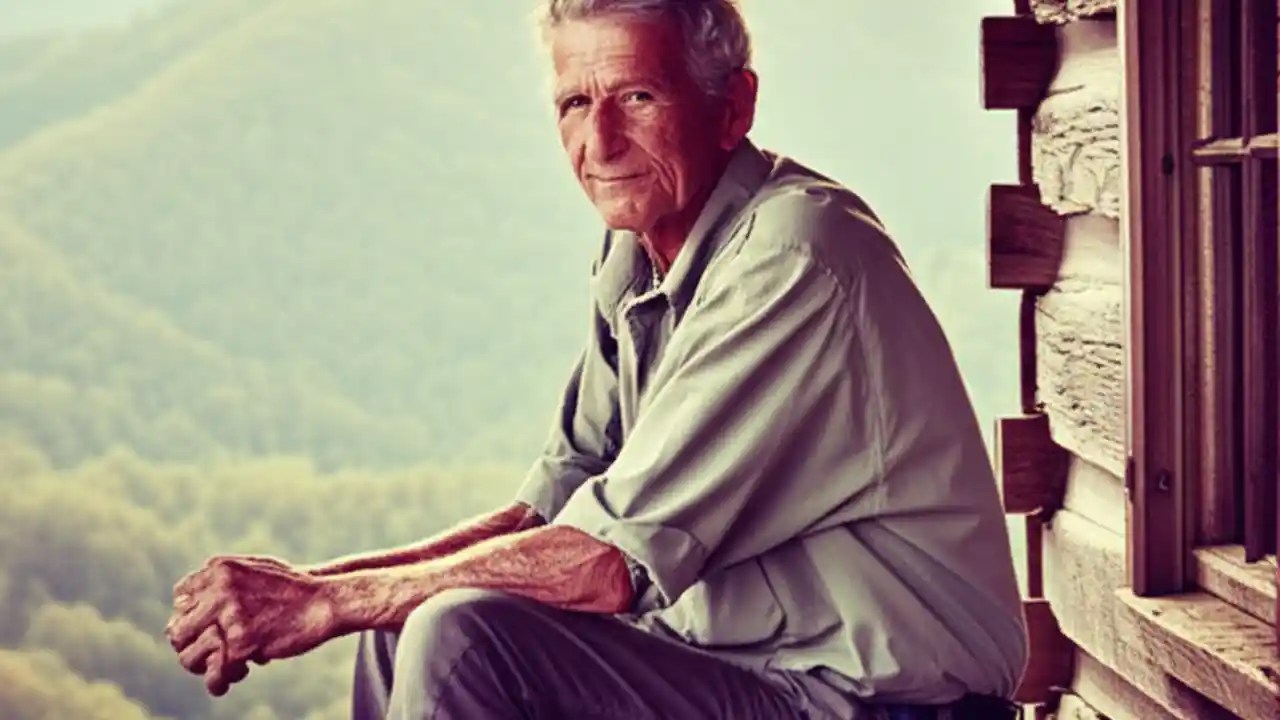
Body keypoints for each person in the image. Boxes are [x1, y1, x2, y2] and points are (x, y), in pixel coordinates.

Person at [165, 1, 1029, 718]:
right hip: (752, 680)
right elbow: (547, 512)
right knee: (409, 620)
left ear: (733, 108)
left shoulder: (797, 257)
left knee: (459, 633)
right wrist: (312, 586)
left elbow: (607, 561)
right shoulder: (641, 260)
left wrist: (322, 606)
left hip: (882, 705)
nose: (600, 140)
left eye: (638, 96)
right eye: (574, 103)